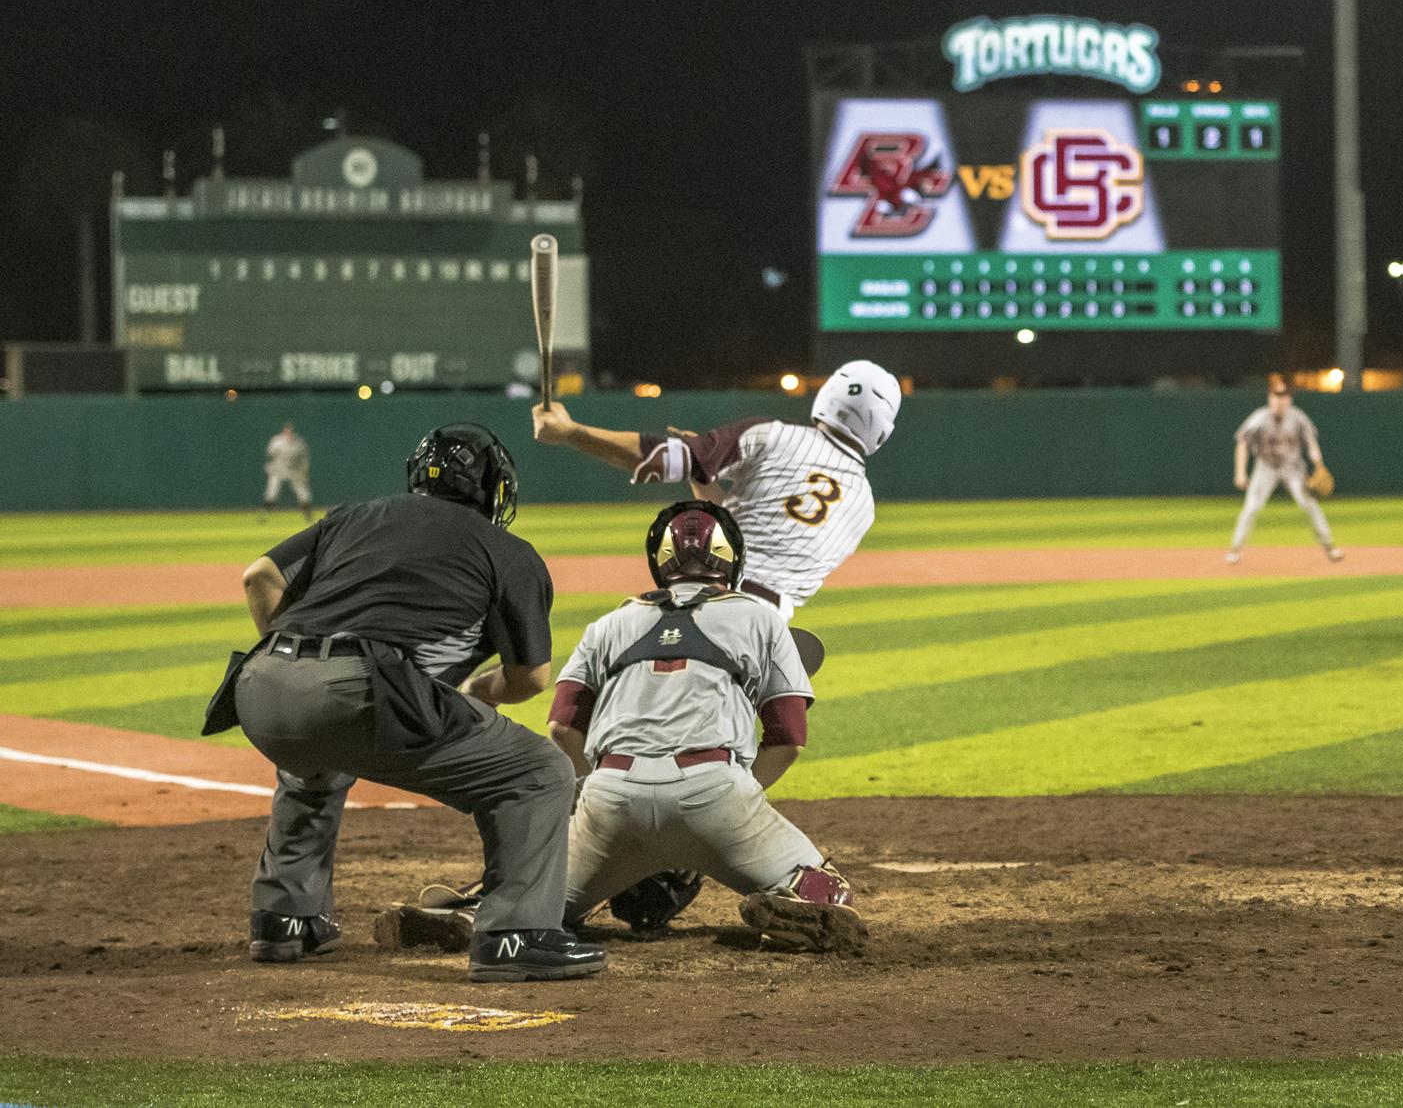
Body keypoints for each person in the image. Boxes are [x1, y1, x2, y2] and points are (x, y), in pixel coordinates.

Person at [202, 422, 605, 983]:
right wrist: (474, 692)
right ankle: (516, 934)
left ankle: (284, 920)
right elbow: (529, 679)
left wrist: (301, 665)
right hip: (357, 690)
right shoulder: (507, 550)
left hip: (259, 686)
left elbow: (259, 577)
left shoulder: (355, 515)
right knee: (538, 772)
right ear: (493, 489)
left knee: (315, 764)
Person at [548, 501, 864, 952]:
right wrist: (737, 794)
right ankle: (793, 903)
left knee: (532, 905)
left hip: (610, 794)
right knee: (832, 899)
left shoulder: (608, 625)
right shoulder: (759, 617)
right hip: (714, 793)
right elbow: (789, 738)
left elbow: (562, 726)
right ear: (731, 557)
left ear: (658, 562)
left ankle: (491, 915)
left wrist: (593, 789)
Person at [530, 360, 901, 617]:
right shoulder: (864, 506)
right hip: (767, 623)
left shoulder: (773, 434)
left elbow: (665, 459)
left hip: (706, 599)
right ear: (883, 428)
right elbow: (762, 538)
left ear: (829, 396)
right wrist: (701, 477)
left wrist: (571, 433)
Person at [1227, 375, 1341, 565]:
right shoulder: (1259, 418)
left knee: (1308, 504)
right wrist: (1240, 472)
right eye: (1275, 396)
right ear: (1269, 399)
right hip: (1266, 468)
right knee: (1252, 507)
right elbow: (1241, 442)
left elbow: (1311, 442)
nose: (1278, 400)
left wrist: (1318, 464)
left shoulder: (1298, 417)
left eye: (1282, 396)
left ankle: (1330, 547)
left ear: (1289, 399)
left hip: (1293, 468)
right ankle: (1235, 549)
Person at [262, 422, 313, 522]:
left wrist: (304, 470)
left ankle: (307, 514)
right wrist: (271, 467)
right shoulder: (276, 441)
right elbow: (270, 454)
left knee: (303, 493)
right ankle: (265, 515)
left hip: (294, 470)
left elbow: (304, 457)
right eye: (287, 431)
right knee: (272, 492)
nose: (289, 433)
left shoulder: (299, 442)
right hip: (278, 469)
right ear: (283, 431)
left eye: (291, 431)